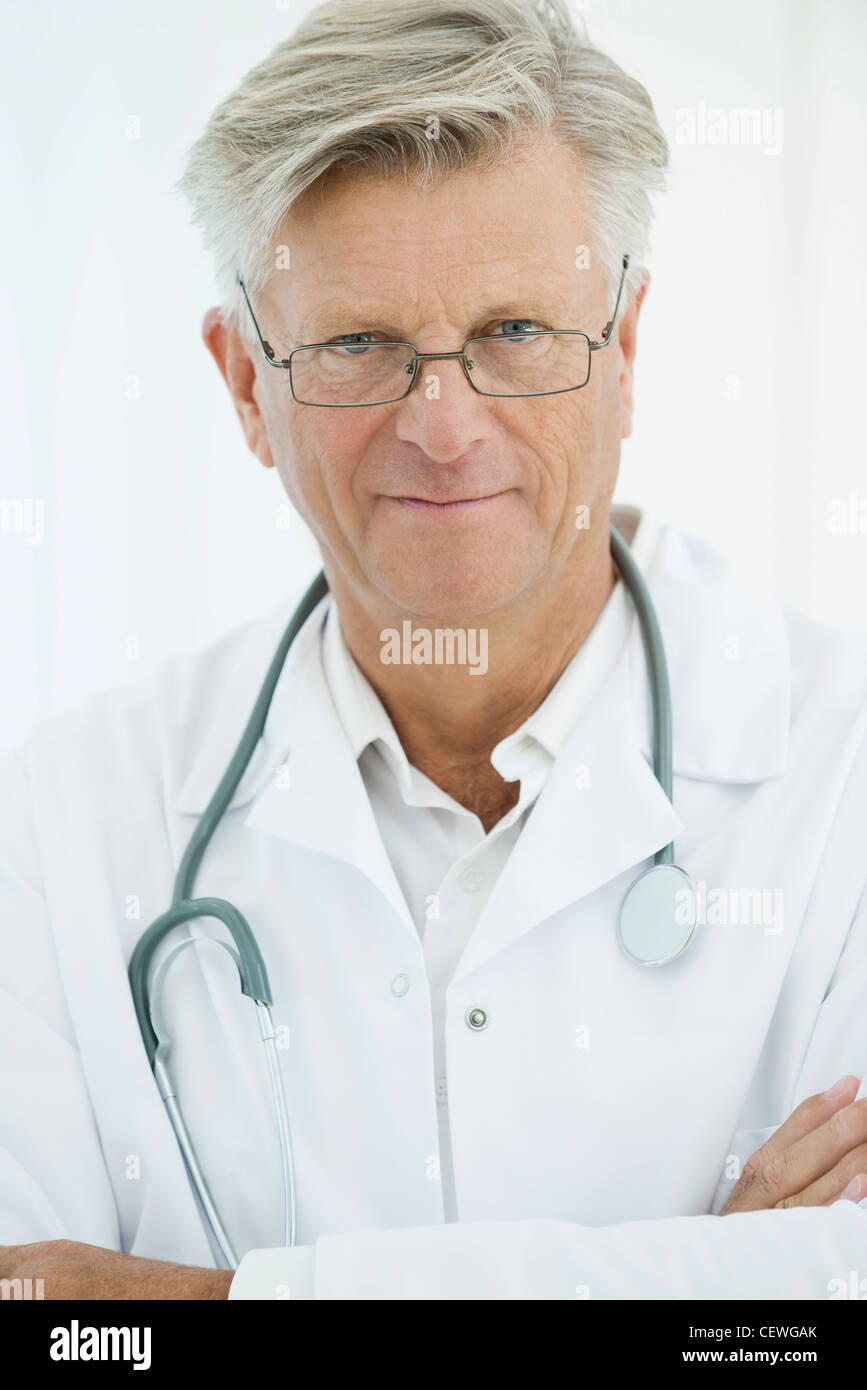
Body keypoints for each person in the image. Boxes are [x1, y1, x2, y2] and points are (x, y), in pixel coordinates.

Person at [2, 0, 866, 1301]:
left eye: (517, 330)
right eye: (359, 345)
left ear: (624, 351)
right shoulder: (58, 826)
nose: (445, 427)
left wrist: (220, 1302)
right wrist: (717, 1278)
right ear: (246, 384)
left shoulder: (842, 770)